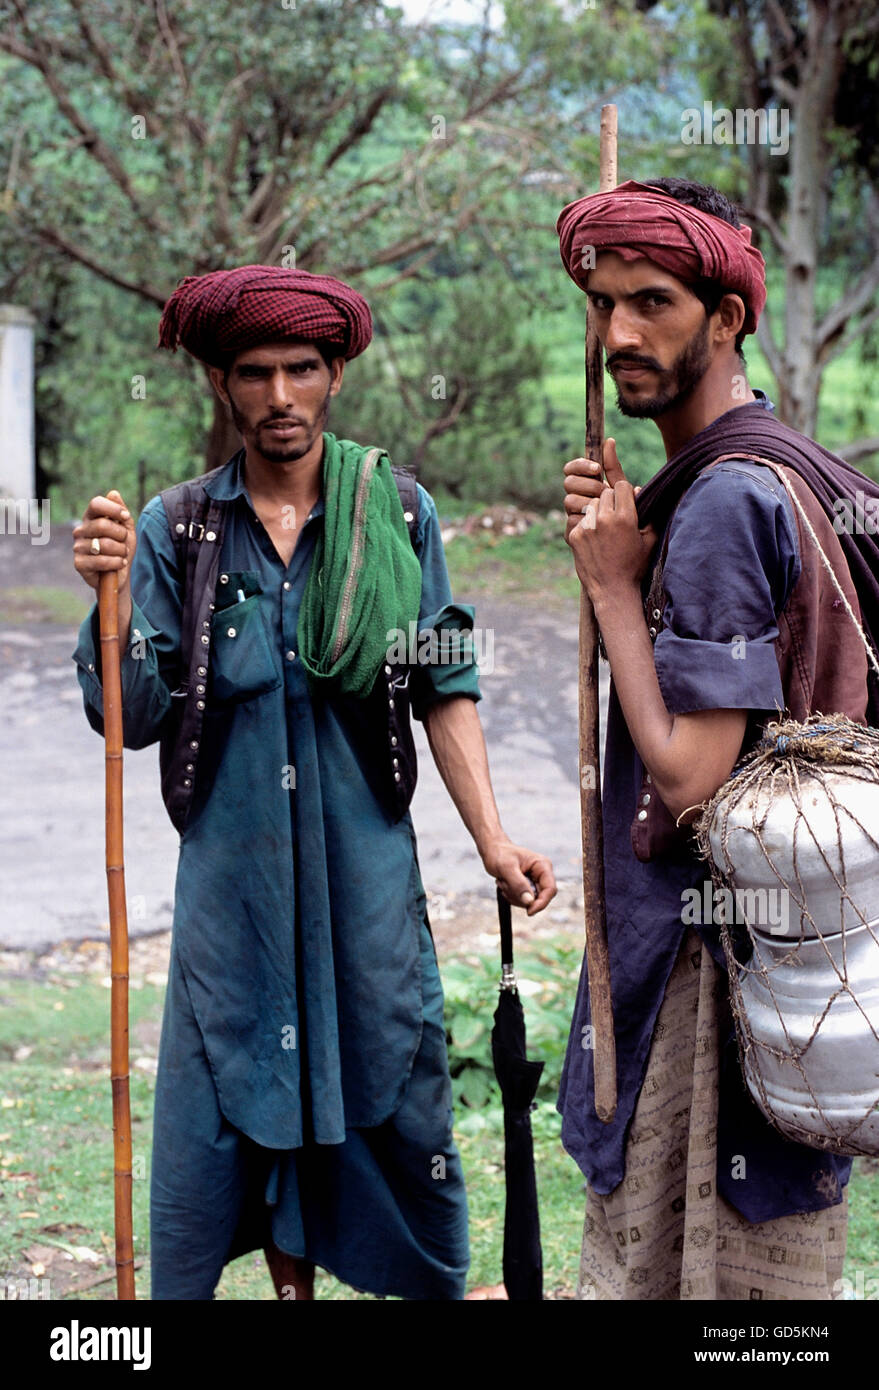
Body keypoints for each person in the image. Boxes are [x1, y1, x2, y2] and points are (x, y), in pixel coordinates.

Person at [71, 264, 555, 1301]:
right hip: (230, 906)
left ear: (335, 374)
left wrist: (493, 841)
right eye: (254, 373)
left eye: (302, 369)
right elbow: (133, 712)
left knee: (395, 1088)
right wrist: (107, 598)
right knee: (219, 1111)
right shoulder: (177, 532)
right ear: (220, 385)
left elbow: (444, 687)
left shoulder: (400, 513)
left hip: (366, 893)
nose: (279, 397)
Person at [555, 177, 879, 1300]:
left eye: (653, 301)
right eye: (603, 304)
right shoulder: (788, 468)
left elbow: (691, 781)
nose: (619, 335)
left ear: (728, 316)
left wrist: (609, 590)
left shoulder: (728, 500)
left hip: (706, 974)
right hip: (802, 962)